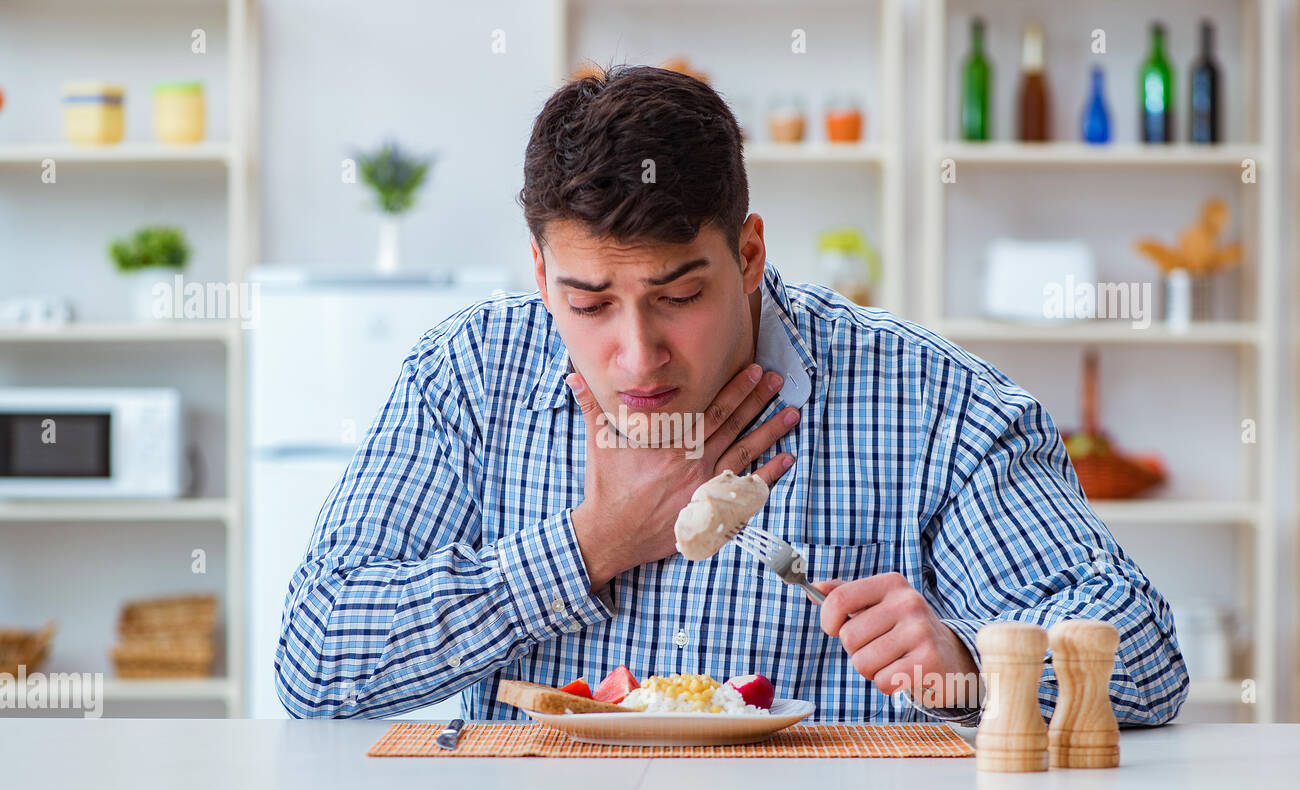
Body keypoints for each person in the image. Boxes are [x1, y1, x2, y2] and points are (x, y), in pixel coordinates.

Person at [275, 65, 1188, 726]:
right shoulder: (470, 375)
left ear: (748, 254)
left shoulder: (934, 402)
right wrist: (592, 542)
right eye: (588, 303)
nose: (637, 355)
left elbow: (1147, 661)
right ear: (542, 274)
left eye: (678, 297)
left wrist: (975, 664)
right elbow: (314, 660)